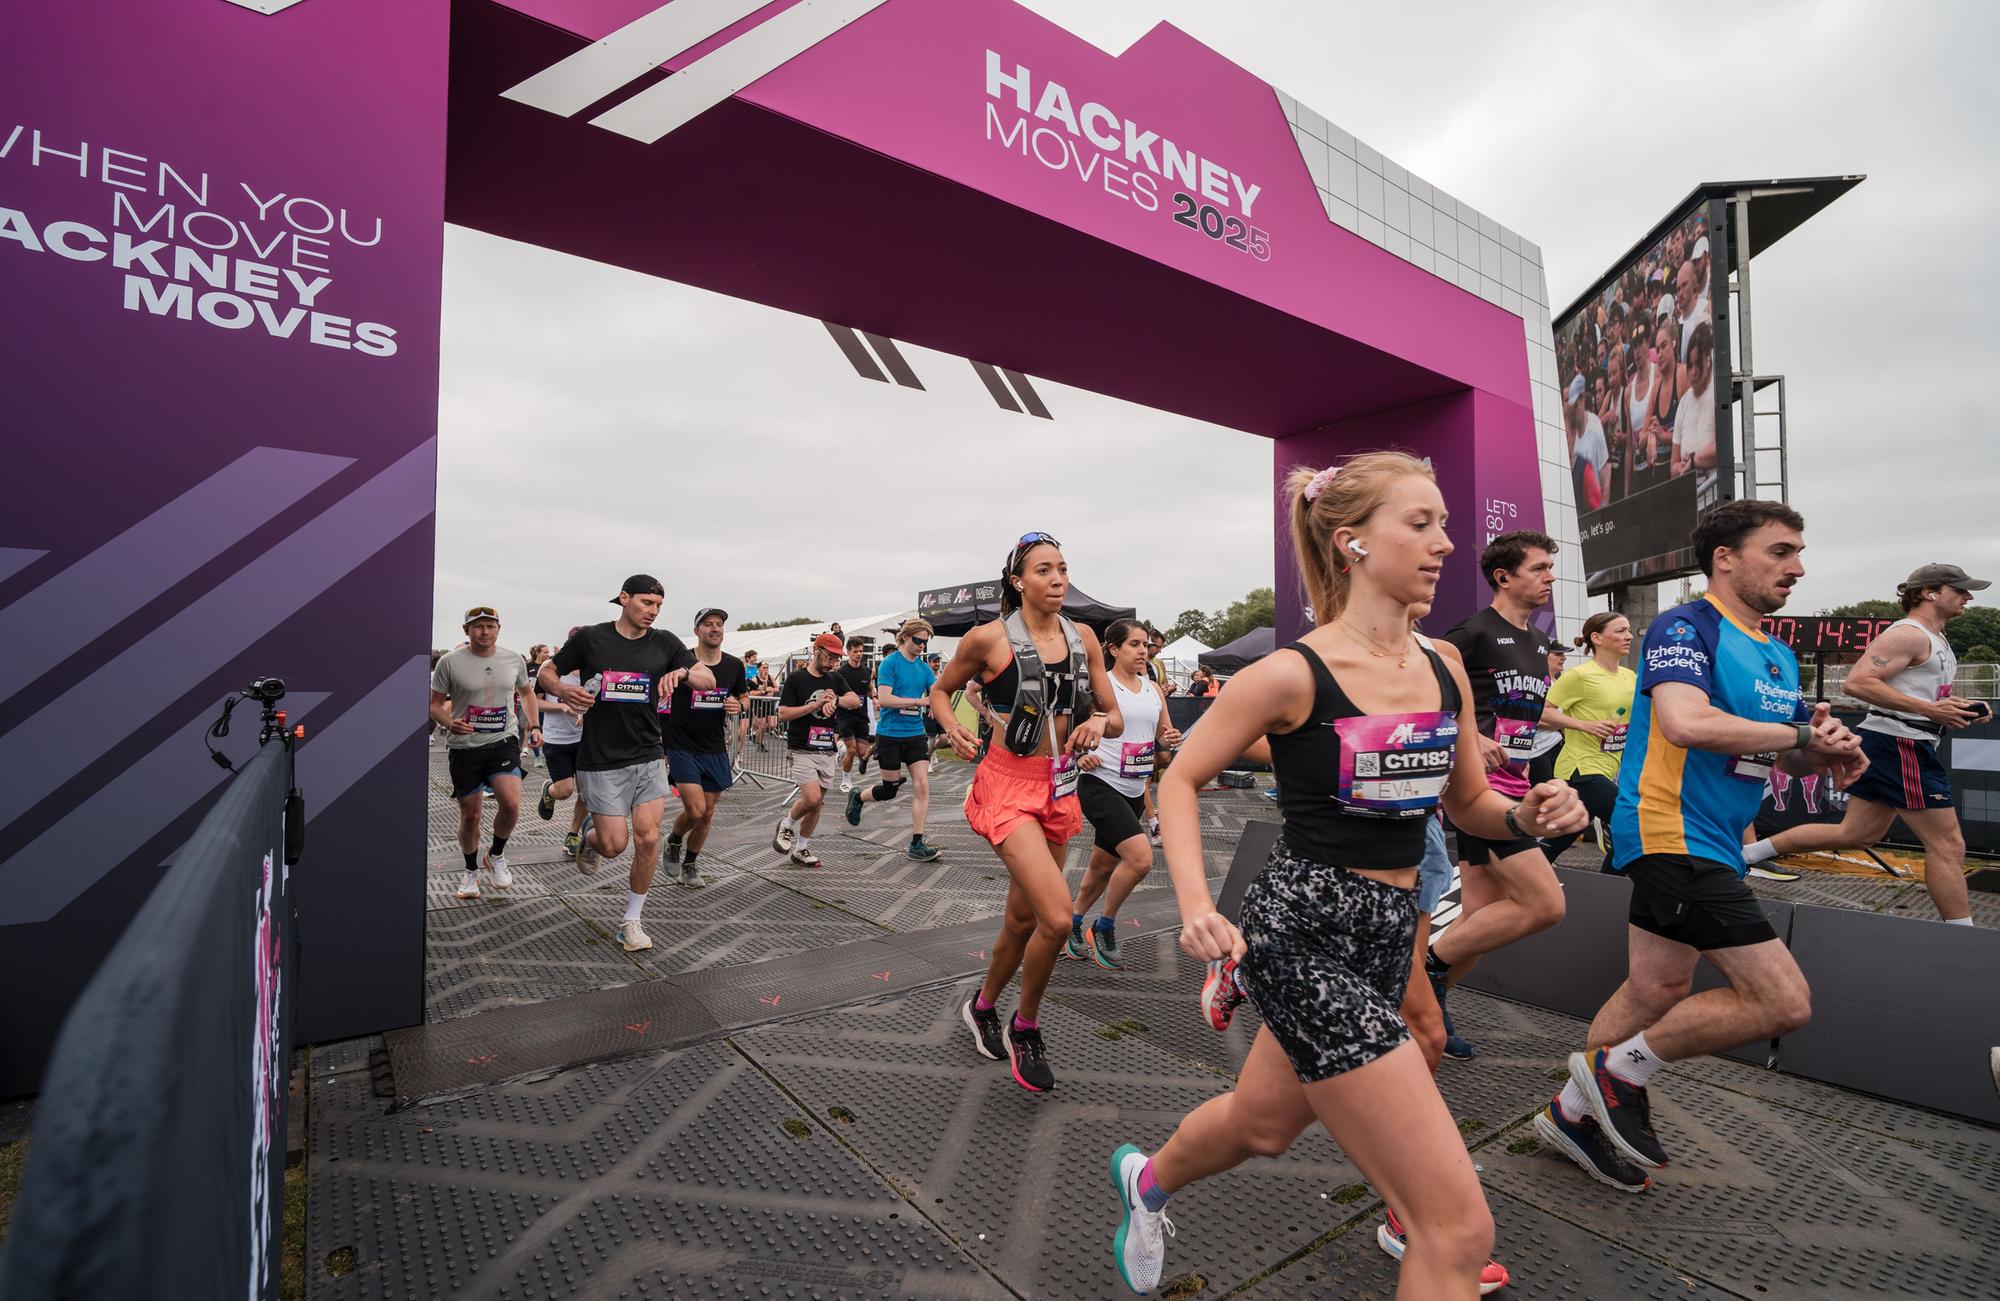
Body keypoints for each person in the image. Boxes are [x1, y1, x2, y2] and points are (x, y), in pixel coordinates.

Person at [1112, 454, 1583, 1298]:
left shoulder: (1443, 665)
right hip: (1302, 934)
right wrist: (1193, 906)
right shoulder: (1292, 673)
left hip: (1391, 928)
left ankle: (1147, 1181)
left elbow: (1471, 804)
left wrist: (1529, 818)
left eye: (1443, 524)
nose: (1444, 543)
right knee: (1456, 1228)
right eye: (1421, 523)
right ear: (1351, 541)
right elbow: (1179, 777)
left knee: (1262, 1126)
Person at [1541, 500, 1864, 1193]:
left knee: (1657, 986)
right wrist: (1804, 736)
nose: (1797, 567)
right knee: (1782, 1002)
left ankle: (1571, 1115)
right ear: (1725, 556)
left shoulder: (1777, 655)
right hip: (1669, 829)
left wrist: (1827, 747)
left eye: (1799, 552)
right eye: (1779, 551)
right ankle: (1616, 1072)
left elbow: (1787, 756)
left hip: (1715, 838)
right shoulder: (1682, 626)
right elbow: (1686, 722)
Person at [934, 533, 1121, 1093]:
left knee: (1022, 920)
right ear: (1018, 581)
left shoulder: (1083, 636)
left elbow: (1110, 713)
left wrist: (1096, 724)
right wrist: (953, 727)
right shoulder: (987, 639)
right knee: (1058, 919)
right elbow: (943, 693)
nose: (1058, 579)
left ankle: (984, 1005)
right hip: (1006, 785)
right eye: (1044, 570)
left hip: (1059, 786)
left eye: (1063, 568)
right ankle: (1027, 1025)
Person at [1743, 563, 1988, 923]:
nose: (1968, 597)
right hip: (1900, 744)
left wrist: (1961, 709)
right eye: (1961, 590)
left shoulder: (1935, 638)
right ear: (1929, 593)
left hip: (1899, 741)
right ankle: (1963, 935)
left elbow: (1922, 697)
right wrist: (1929, 711)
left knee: (1856, 834)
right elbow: (1858, 682)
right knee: (1949, 845)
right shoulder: (1910, 634)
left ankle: (1746, 855)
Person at [1426, 531, 1565, 1060]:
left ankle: (1428, 1008)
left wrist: (1575, 723)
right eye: (1540, 568)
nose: (1550, 577)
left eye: (1551, 568)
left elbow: (1526, 712)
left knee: (1478, 922)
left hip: (1516, 786)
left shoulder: (1535, 641)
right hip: (1480, 794)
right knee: (1546, 904)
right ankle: (1429, 968)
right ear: (1504, 577)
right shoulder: (1472, 633)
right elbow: (1425, 689)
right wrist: (1473, 737)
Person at [539, 576, 711, 953]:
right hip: (599, 759)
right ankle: (590, 838)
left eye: (659, 606)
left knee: (648, 838)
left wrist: (682, 672)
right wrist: (562, 688)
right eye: (646, 602)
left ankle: (631, 922)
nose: (652, 611)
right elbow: (546, 671)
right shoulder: (591, 638)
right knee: (614, 845)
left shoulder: (665, 642)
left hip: (648, 754)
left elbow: (705, 676)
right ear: (624, 598)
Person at [1067, 618, 1181, 970]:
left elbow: (1162, 746)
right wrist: (1081, 755)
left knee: (1103, 866)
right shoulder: (1104, 687)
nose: (1143, 651)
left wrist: (1168, 743)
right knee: (1140, 859)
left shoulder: (1153, 688)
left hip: (1134, 788)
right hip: (1101, 784)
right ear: (1113, 649)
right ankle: (1104, 926)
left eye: (1146, 644)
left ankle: (1070, 924)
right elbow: (1072, 731)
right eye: (1134, 644)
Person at [430, 605, 542, 900]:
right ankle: (470, 872)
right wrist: (449, 723)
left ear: (498, 629)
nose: (485, 631)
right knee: (471, 815)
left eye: (490, 625)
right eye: (478, 626)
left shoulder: (513, 659)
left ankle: (496, 854)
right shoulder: (449, 662)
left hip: (503, 741)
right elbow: (433, 704)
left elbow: (527, 693)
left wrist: (534, 725)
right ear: (466, 630)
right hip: (465, 747)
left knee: (511, 801)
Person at [1538, 612, 1636, 863]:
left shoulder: (1630, 676)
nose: (1629, 636)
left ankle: (1516, 877)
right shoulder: (1580, 675)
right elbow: (1540, 713)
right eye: (1621, 631)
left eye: (1629, 630)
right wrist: (1584, 725)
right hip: (1581, 770)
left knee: (1555, 842)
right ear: (1597, 638)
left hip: (1610, 770)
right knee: (1635, 826)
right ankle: (1611, 890)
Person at [663, 608, 751, 888]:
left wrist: (740, 705)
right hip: (681, 744)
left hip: (714, 746)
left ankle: (690, 863)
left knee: (708, 812)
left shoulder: (734, 665)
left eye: (719, 625)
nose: (715, 629)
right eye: (708, 624)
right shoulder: (681, 660)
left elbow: (745, 697)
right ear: (697, 630)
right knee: (696, 809)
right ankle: (674, 840)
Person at [845, 620, 944, 861]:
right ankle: (858, 796)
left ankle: (917, 843)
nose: (921, 646)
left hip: (916, 734)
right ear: (904, 638)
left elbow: (937, 692)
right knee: (889, 790)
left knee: (922, 785)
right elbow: (886, 699)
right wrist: (919, 702)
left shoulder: (923, 670)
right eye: (917, 641)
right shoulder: (890, 663)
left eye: (925, 642)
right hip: (890, 734)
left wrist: (939, 704)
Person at [772, 633, 862, 868]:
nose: (833, 662)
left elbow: (855, 701)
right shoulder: (796, 679)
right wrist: (816, 704)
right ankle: (787, 824)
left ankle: (801, 849)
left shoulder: (835, 678)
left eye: (836, 658)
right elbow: (783, 714)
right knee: (811, 798)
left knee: (817, 803)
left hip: (827, 749)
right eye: (830, 656)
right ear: (816, 650)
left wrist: (837, 699)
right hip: (802, 747)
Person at [533, 624, 594, 860]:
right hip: (556, 739)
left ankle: (572, 834)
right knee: (565, 790)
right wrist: (562, 706)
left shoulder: (595, 672)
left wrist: (585, 715)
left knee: (586, 792)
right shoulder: (550, 672)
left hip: (585, 741)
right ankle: (550, 790)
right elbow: (535, 702)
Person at [1669, 322, 1716, 477]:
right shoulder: (1683, 403)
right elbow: (1673, 467)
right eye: (1690, 364)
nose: (1693, 372)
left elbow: (1724, 446)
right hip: (1692, 496)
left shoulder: (1717, 393)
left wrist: (1694, 460)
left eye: (1698, 364)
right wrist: (1683, 467)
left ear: (1708, 361)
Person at [834, 636, 876, 793]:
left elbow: (870, 689)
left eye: (861, 651)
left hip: (861, 716)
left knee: (862, 752)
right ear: (848, 652)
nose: (859, 654)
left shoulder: (867, 671)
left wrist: (875, 697)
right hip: (845, 716)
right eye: (855, 651)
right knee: (851, 750)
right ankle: (845, 780)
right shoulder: (841, 672)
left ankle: (841, 751)